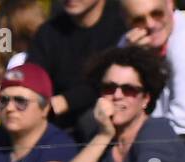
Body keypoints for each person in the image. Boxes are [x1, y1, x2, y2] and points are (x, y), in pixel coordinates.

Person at [49, 46, 185, 162]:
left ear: (146, 99)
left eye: (129, 89)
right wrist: (103, 135)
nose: (117, 96)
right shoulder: (101, 136)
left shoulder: (158, 132)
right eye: (109, 88)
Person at [120, 0, 185, 162]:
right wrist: (132, 56)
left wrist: (144, 140)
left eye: (156, 14)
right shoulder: (130, 42)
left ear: (170, 5)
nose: (150, 24)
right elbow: (108, 89)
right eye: (138, 19)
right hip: (159, 134)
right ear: (126, 20)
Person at [26, 0, 127, 133]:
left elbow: (114, 82)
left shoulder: (123, 25)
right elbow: (31, 80)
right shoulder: (48, 32)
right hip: (55, 126)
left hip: (108, 125)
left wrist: (66, 101)